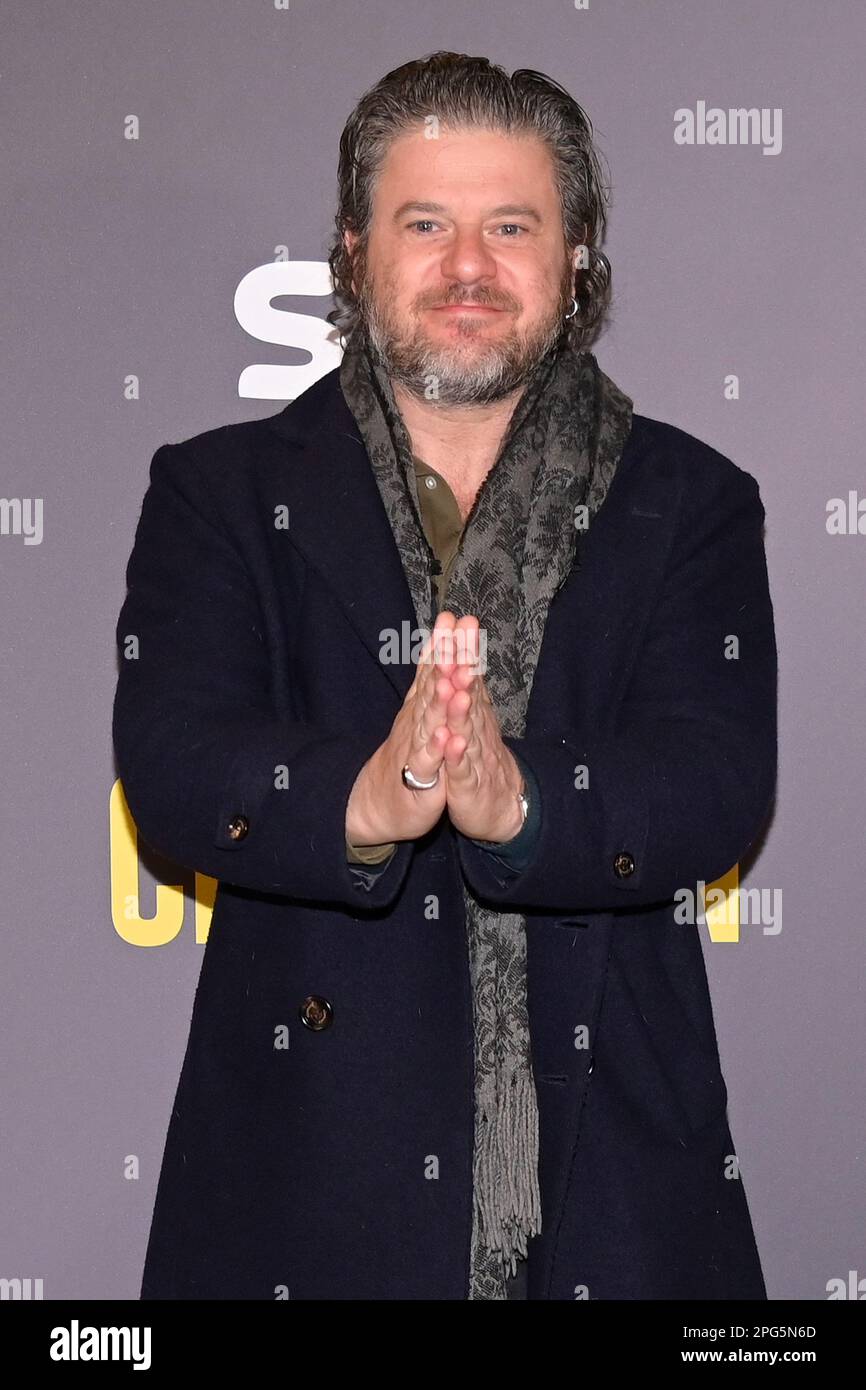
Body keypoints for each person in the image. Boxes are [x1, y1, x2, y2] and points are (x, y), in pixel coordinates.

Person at [113, 51, 777, 1300]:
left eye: (510, 227)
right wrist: (368, 796)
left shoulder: (689, 504)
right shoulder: (219, 493)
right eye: (425, 224)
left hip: (617, 1191)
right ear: (353, 254)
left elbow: (716, 781)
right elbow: (175, 762)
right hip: (297, 1196)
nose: (467, 268)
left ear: (575, 260)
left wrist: (518, 803)